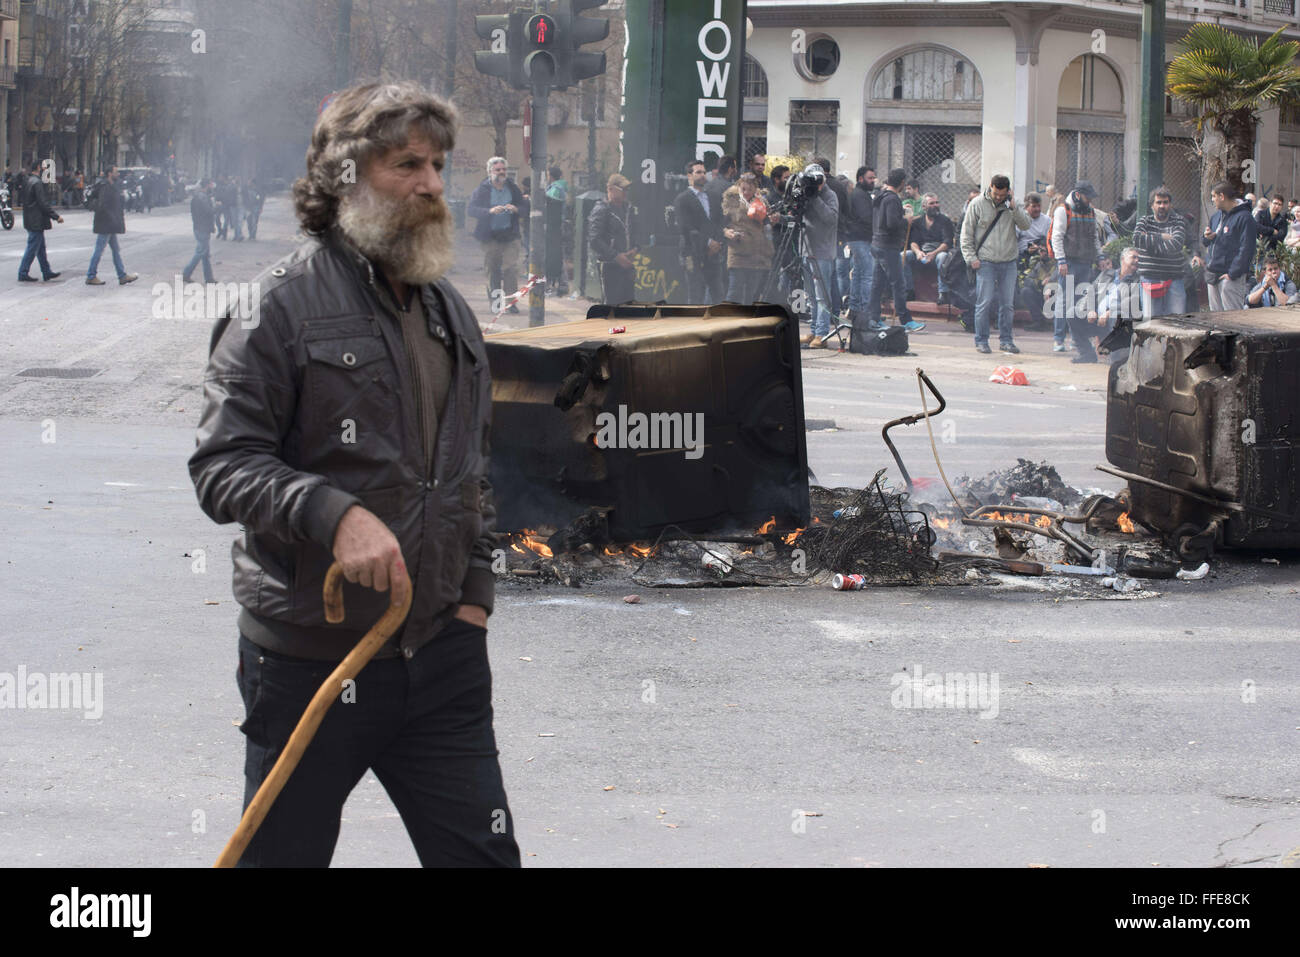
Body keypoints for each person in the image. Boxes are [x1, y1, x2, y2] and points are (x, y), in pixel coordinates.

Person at [189, 80, 519, 869]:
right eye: (408, 164)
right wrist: (332, 512)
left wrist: (473, 597)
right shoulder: (277, 307)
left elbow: (473, 467)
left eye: (439, 164)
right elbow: (221, 464)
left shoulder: (452, 314)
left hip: (440, 658)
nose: (434, 184)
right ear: (345, 176)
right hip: (310, 660)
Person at [961, 173, 1031, 354]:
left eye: (1002, 194)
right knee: (984, 303)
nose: (998, 197)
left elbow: (1026, 225)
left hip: (1008, 262)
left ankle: (1006, 340)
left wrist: (1014, 208)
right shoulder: (977, 204)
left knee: (1007, 304)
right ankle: (981, 340)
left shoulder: (1012, 205)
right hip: (985, 262)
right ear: (990, 187)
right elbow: (966, 233)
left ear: (1008, 191)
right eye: (996, 193)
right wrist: (971, 258)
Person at [865, 168, 923, 334]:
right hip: (887, 246)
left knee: (877, 284)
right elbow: (891, 223)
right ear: (902, 182)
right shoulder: (892, 199)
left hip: (877, 243)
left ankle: (873, 318)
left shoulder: (880, 196)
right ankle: (906, 320)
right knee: (898, 283)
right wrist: (906, 220)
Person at [1049, 181, 1105, 353]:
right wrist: (1061, 261)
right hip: (1070, 262)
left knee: (1080, 302)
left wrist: (1100, 257)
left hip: (1086, 262)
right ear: (1079, 195)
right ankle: (1059, 339)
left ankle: (1076, 339)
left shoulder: (1091, 212)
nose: (1090, 200)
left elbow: (1095, 237)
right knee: (1064, 301)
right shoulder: (1063, 210)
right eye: (1087, 197)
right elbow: (1056, 237)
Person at [467, 156, 527, 314]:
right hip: (490, 237)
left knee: (510, 268)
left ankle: (510, 303)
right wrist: (489, 211)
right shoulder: (482, 190)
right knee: (492, 270)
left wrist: (516, 209)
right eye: (498, 170)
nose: (501, 172)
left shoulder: (512, 188)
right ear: (490, 172)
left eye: (504, 169)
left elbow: (524, 206)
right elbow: (471, 209)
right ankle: (496, 303)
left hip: (510, 236)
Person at [1071, 247, 1140, 364]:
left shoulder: (1137, 279)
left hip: (1115, 320)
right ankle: (1086, 354)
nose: (1137, 260)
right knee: (1072, 313)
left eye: (1139, 258)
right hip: (1097, 319)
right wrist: (1091, 310)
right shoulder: (1106, 274)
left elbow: (1131, 303)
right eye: (1134, 257)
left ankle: (1116, 361)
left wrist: (1108, 313)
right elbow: (1091, 292)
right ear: (1123, 259)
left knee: (1118, 317)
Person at [674, 159, 726, 304]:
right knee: (696, 294)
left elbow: (720, 221)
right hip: (693, 253)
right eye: (698, 172)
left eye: (704, 172)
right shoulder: (682, 199)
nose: (702, 175)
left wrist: (717, 242)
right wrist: (708, 243)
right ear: (689, 175)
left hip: (713, 255)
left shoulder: (714, 197)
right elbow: (685, 227)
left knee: (718, 294)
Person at [1131, 186, 1189, 318]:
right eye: (1158, 202)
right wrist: (1162, 237)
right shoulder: (1144, 221)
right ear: (1152, 205)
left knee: (1176, 321)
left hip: (1174, 278)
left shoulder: (1178, 221)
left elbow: (1176, 244)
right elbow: (1136, 239)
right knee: (1151, 321)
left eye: (1165, 202)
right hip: (1150, 278)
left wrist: (1150, 245)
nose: (1162, 206)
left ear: (1170, 204)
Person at [798, 163, 840, 347]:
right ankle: (814, 329)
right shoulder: (806, 192)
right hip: (806, 249)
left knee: (822, 295)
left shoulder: (830, 195)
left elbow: (830, 219)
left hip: (822, 252)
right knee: (810, 295)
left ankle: (822, 333)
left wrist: (815, 198)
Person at [1202, 180, 1258, 311]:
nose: (1212, 200)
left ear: (1222, 196)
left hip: (1231, 277)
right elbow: (1205, 241)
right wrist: (1207, 237)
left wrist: (1232, 274)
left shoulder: (1245, 217)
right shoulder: (1216, 217)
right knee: (1216, 319)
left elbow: (1246, 249)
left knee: (1232, 319)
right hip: (1213, 275)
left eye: (1213, 196)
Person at [721, 172, 773, 304]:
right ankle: (728, 317)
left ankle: (747, 320)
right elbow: (721, 224)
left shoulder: (761, 202)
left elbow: (767, 223)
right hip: (738, 251)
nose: (746, 192)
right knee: (734, 290)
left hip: (757, 252)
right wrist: (727, 232)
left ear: (755, 189)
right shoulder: (731, 201)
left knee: (752, 293)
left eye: (750, 189)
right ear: (738, 186)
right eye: (743, 189)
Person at [587, 173, 637, 305]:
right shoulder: (602, 209)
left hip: (627, 264)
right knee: (612, 305)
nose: (626, 192)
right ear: (610, 189)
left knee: (628, 303)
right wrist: (615, 256)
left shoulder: (628, 208)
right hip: (609, 265)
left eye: (627, 189)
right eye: (623, 189)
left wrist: (635, 249)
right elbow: (594, 239)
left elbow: (634, 232)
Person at [85, 167, 138, 286]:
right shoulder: (105, 186)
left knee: (115, 250)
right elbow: (103, 205)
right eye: (116, 172)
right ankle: (91, 275)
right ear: (110, 174)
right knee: (99, 250)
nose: (118, 174)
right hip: (106, 223)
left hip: (109, 223)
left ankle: (122, 275)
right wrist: (113, 218)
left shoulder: (109, 185)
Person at [903, 193, 954, 304]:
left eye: (937, 202)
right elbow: (913, 242)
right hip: (922, 254)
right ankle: (909, 290)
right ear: (924, 207)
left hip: (938, 252)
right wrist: (918, 252)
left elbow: (947, 243)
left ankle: (943, 293)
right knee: (902, 256)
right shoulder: (918, 222)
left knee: (943, 257)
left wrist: (934, 253)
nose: (935, 205)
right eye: (932, 203)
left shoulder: (945, 221)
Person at [841, 166, 875, 330]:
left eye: (873, 178)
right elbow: (866, 217)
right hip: (860, 238)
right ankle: (864, 311)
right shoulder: (860, 196)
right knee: (867, 274)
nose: (873, 181)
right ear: (860, 179)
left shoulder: (860, 194)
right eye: (870, 178)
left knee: (859, 274)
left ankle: (854, 309)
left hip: (857, 238)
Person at [18, 160, 63, 282]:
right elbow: (43, 203)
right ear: (38, 168)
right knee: (33, 248)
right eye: (43, 168)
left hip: (29, 219)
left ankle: (46, 271)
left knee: (40, 248)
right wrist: (56, 216)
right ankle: (23, 272)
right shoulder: (37, 182)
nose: (44, 170)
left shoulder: (27, 180)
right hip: (36, 221)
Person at [182, 179, 217, 284]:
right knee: (200, 252)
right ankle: (186, 273)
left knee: (205, 255)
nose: (212, 187)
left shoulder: (197, 197)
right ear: (207, 186)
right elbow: (208, 211)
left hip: (199, 227)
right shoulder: (203, 198)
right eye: (211, 185)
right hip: (203, 228)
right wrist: (217, 207)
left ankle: (209, 278)